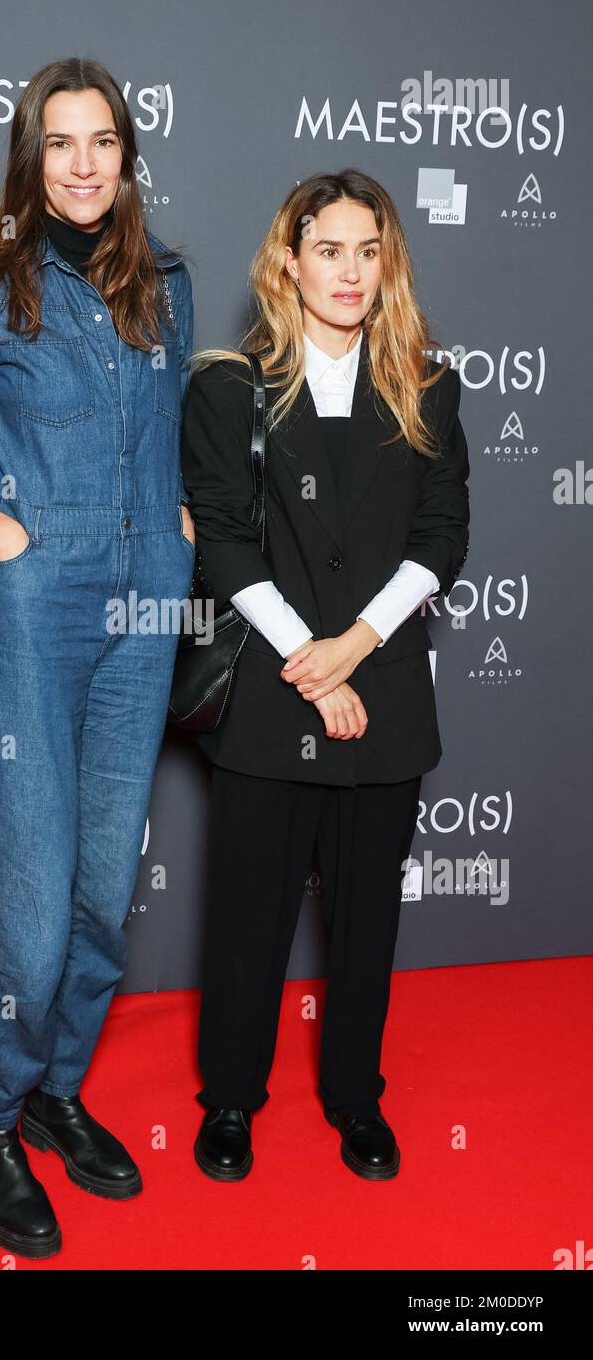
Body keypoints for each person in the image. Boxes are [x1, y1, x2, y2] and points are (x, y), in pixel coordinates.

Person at [0, 58, 196, 1258]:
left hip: (145, 611)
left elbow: (172, 432)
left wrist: (176, 522)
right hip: (31, 609)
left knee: (100, 897)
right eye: (58, 143)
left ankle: (59, 1089)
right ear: (30, 158)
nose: (81, 164)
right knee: (28, 912)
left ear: (125, 155)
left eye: (101, 142)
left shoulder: (162, 282)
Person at [180, 168, 470, 1184]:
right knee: (247, 912)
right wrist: (315, 663)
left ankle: (353, 1095)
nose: (349, 271)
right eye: (328, 249)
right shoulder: (228, 385)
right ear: (288, 261)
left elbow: (441, 537)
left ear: (385, 262)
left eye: (367, 249)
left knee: (365, 916)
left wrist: (356, 646)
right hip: (269, 692)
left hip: (382, 692)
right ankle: (227, 1099)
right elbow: (220, 542)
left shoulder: (427, 383)